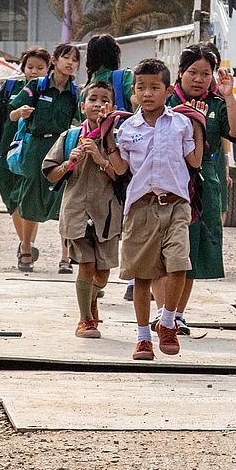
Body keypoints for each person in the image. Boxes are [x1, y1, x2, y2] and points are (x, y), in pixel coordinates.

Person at [106, 58, 205, 360]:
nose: (147, 93)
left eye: (154, 87)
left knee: (178, 264)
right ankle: (142, 337)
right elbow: (121, 168)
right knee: (142, 275)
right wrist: (107, 139)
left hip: (175, 205)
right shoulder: (127, 129)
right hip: (141, 207)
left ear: (167, 89)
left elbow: (195, 161)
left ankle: (167, 321)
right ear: (134, 92)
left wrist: (199, 125)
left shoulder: (181, 122)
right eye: (141, 88)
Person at [152, 44, 236, 335]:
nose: (199, 79)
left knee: (190, 252)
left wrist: (229, 97)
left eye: (206, 73)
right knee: (159, 250)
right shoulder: (165, 101)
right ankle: (160, 312)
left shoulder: (217, 104)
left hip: (204, 182)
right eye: (193, 72)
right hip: (165, 179)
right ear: (180, 73)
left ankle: (177, 314)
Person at [43, 80, 122, 339]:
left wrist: (101, 159)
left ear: (113, 106)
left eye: (104, 100)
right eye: (93, 99)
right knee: (85, 265)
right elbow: (51, 175)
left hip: (106, 214)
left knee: (103, 273)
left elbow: (122, 176)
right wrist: (69, 163)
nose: (98, 104)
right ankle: (85, 320)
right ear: (82, 105)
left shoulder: (118, 139)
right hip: (77, 212)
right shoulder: (70, 137)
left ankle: (92, 297)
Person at [8, 43, 81, 272]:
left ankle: (65, 258)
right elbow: (12, 113)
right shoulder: (36, 87)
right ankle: (26, 250)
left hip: (61, 147)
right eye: (66, 58)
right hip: (35, 147)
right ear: (55, 60)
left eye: (75, 60)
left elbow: (81, 120)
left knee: (65, 202)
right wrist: (21, 113)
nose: (70, 63)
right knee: (30, 198)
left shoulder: (76, 93)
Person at [85, 34, 141, 299]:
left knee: (98, 218)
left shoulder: (89, 84)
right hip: (124, 151)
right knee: (131, 216)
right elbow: (136, 105)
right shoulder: (125, 77)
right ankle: (133, 281)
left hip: (93, 153)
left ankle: (94, 276)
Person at [0, 47, 47, 272]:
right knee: (11, 200)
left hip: (33, 154)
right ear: (23, 68)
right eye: (30, 67)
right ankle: (26, 243)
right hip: (6, 151)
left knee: (27, 199)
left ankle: (26, 247)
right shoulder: (12, 87)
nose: (34, 72)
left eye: (40, 68)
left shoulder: (49, 91)